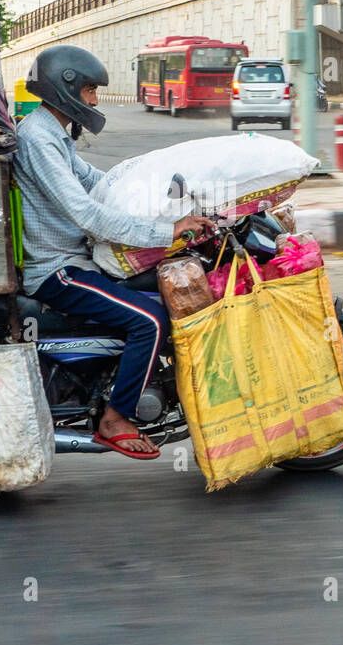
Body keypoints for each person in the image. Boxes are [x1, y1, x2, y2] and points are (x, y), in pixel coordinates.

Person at [12, 45, 214, 460]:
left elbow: (99, 183)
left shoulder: (54, 134)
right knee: (151, 321)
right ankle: (116, 418)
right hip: (57, 269)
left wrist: (161, 198)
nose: (94, 100)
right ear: (64, 87)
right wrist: (165, 231)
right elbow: (87, 213)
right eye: (89, 90)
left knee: (152, 297)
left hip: (75, 258)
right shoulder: (38, 138)